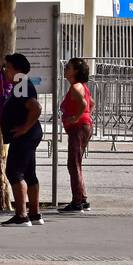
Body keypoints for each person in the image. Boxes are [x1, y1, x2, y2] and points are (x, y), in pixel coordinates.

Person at [0, 53, 44, 227]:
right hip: (28, 135)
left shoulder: (22, 85)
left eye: (7, 67)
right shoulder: (20, 84)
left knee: (14, 172)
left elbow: (36, 107)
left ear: (16, 69)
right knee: (29, 174)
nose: (4, 71)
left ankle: (21, 215)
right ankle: (35, 214)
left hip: (25, 136)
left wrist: (25, 127)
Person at [59, 58, 95, 213]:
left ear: (76, 72)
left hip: (78, 128)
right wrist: (85, 116)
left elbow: (85, 104)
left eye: (69, 67)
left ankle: (77, 201)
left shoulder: (75, 87)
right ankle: (82, 198)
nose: (65, 69)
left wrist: (76, 117)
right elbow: (92, 103)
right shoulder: (81, 87)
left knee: (73, 165)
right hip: (82, 126)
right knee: (76, 164)